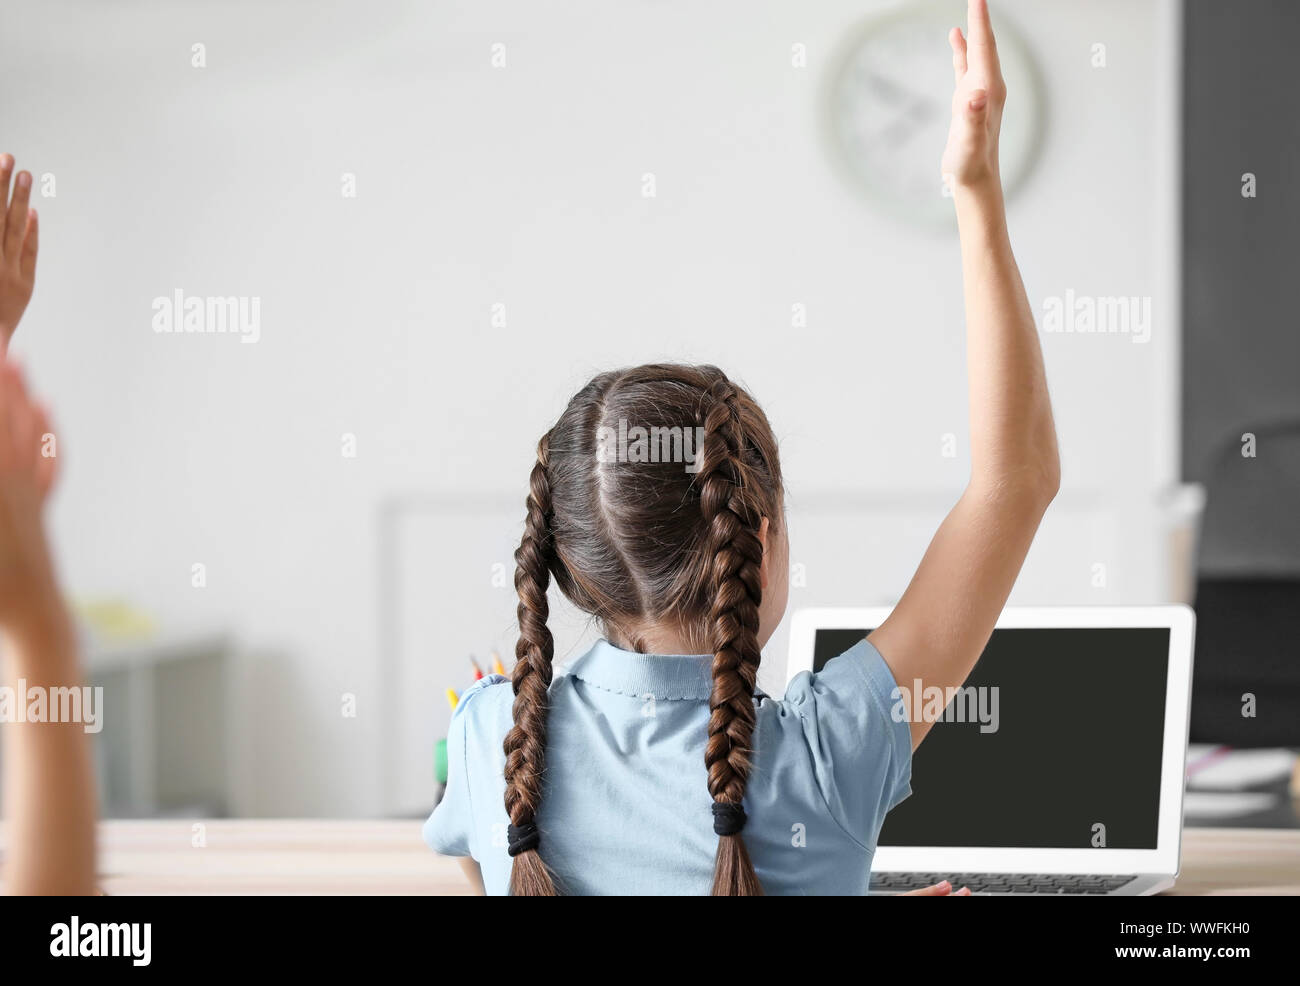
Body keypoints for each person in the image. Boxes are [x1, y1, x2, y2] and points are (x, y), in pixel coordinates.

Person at [425, 0, 1059, 895]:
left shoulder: (493, 736)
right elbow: (1019, 480)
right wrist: (976, 190)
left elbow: (490, 867)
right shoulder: (829, 755)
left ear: (566, 562)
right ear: (756, 540)